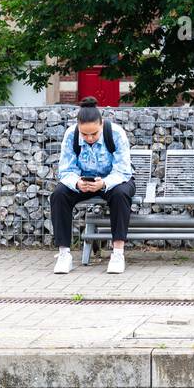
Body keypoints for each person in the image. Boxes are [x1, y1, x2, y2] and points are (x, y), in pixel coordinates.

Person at [50, 97, 135, 274]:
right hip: (83, 182)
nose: (89, 138)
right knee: (58, 195)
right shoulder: (70, 134)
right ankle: (64, 253)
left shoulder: (116, 133)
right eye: (84, 134)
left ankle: (118, 253)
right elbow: (65, 170)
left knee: (121, 194)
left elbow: (123, 170)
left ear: (101, 124)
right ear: (78, 128)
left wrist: (104, 183)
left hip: (113, 181)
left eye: (94, 134)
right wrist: (77, 183)